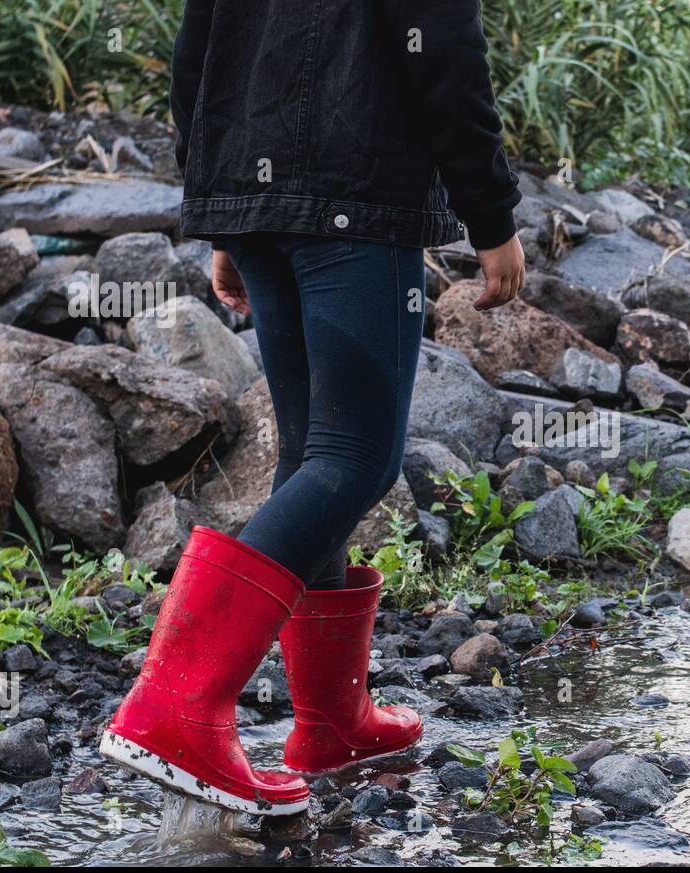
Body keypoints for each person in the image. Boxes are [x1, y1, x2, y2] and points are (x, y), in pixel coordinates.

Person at [101, 0, 524, 815]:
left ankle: (331, 723)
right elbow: (439, 45)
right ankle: (176, 706)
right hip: (353, 196)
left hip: (254, 195)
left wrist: (223, 208)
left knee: (309, 456)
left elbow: (198, 55)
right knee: (356, 459)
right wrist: (491, 212)